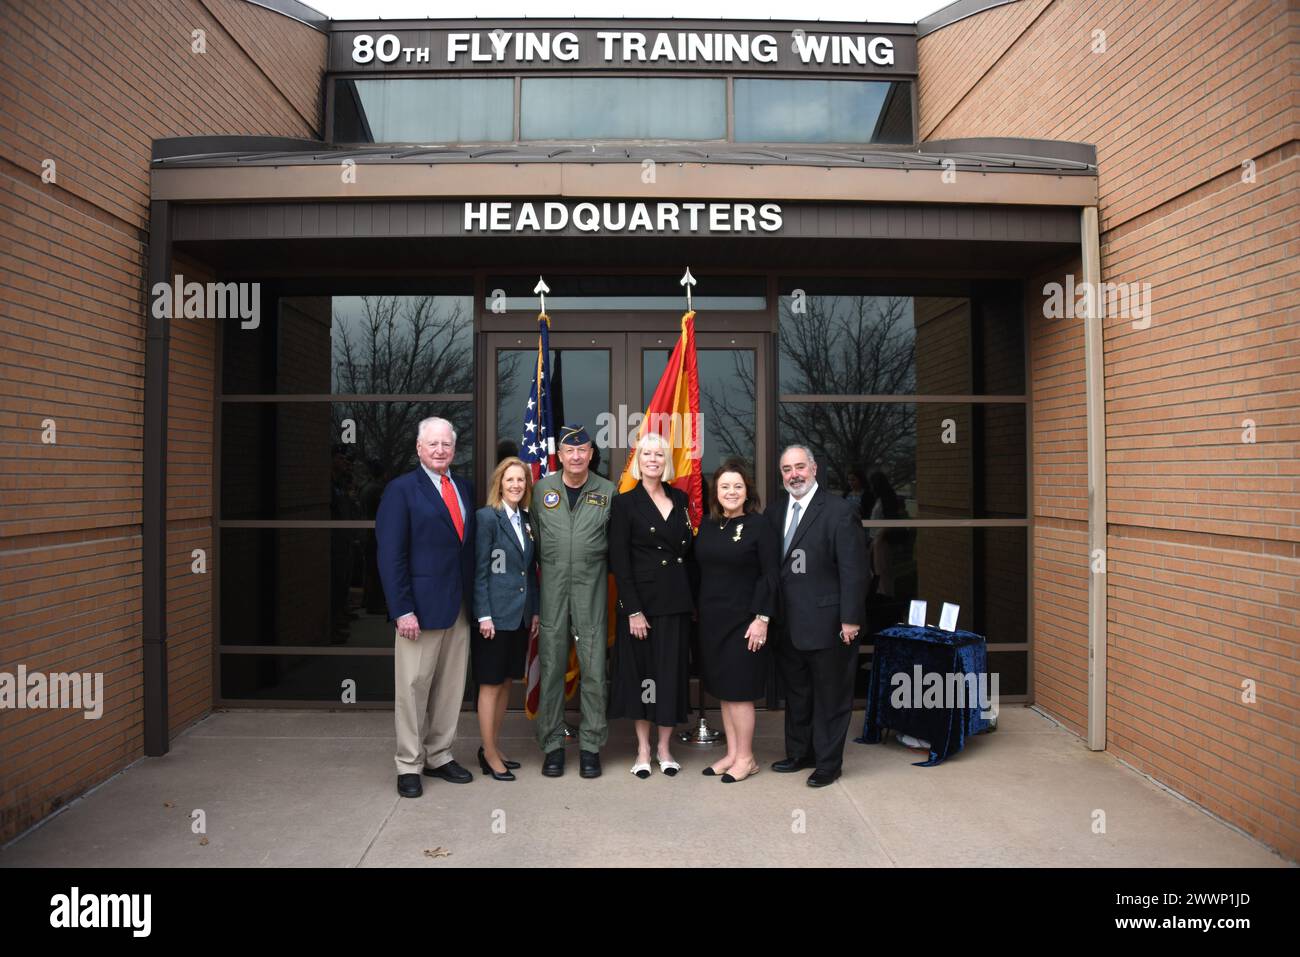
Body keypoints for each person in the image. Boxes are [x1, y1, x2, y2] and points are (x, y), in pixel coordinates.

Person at [375, 417, 476, 798]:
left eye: (446, 444)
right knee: (413, 689)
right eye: (432, 444)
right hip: (418, 611)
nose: (439, 450)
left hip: (459, 609)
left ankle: (439, 754)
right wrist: (402, 609)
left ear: (454, 448)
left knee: (450, 689)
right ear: (419, 448)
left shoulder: (463, 487)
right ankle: (409, 763)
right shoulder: (401, 490)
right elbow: (390, 555)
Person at [766, 444, 867, 787]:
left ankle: (827, 763)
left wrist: (850, 619)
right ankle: (799, 753)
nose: (793, 474)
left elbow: (854, 570)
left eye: (799, 467)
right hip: (788, 624)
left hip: (829, 625)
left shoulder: (839, 511)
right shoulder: (776, 512)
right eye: (786, 469)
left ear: (813, 469)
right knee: (798, 695)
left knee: (830, 697)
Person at [531, 424, 617, 778]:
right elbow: (531, 545)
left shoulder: (608, 492)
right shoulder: (541, 490)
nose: (577, 456)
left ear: (591, 455)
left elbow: (616, 547)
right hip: (551, 590)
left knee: (594, 670)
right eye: (570, 451)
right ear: (561, 455)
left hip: (591, 590)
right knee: (551, 668)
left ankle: (591, 746)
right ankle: (552, 745)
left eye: (583, 450)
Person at [607, 432, 694, 778]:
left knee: (669, 674)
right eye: (647, 454)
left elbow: (688, 553)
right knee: (643, 678)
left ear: (666, 461)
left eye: (659, 454)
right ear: (638, 462)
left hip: (676, 601)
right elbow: (619, 561)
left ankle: (664, 748)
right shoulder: (625, 503)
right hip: (640, 606)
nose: (653, 459)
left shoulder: (681, 497)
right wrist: (633, 609)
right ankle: (643, 749)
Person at [694, 460, 778, 783]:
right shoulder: (709, 525)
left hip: (746, 623)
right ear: (716, 492)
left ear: (747, 492)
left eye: (738, 486)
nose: (731, 492)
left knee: (741, 693)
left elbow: (770, 575)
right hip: (713, 621)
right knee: (725, 691)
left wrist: (762, 619)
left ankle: (747, 758)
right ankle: (731, 753)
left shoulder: (760, 526)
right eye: (725, 486)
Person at [472, 456, 540, 781]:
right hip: (494, 618)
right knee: (490, 684)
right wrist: (483, 613)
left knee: (506, 683)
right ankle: (488, 752)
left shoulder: (526, 519)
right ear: (499, 483)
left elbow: (531, 572)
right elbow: (480, 570)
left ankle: (494, 747)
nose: (516, 485)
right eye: (510, 480)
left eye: (521, 480)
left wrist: (536, 609)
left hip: (520, 616)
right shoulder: (487, 518)